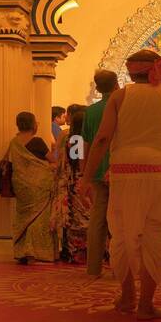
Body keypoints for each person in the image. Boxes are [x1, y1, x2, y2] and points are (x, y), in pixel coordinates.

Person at [79, 50, 161, 320]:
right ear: (158, 69)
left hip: (123, 170)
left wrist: (86, 177)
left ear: (131, 73)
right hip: (159, 170)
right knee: (155, 233)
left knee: (121, 233)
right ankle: (145, 304)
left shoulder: (120, 97)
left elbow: (101, 139)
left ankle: (127, 296)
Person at [6, 111, 59, 264]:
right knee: (39, 219)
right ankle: (36, 252)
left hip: (21, 185)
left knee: (23, 217)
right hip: (39, 186)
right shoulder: (37, 142)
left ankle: (22, 251)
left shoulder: (14, 142)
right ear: (33, 124)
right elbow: (52, 160)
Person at [83, 70, 119, 277]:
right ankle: (118, 267)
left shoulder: (91, 111)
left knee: (97, 221)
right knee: (120, 220)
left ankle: (93, 268)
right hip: (119, 169)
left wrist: (84, 172)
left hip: (96, 170)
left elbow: (85, 143)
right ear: (116, 85)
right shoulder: (122, 106)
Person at [53, 106, 90, 264]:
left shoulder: (70, 137)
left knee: (76, 219)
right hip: (77, 181)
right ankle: (79, 252)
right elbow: (77, 163)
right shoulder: (77, 139)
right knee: (80, 219)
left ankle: (76, 251)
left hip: (71, 181)